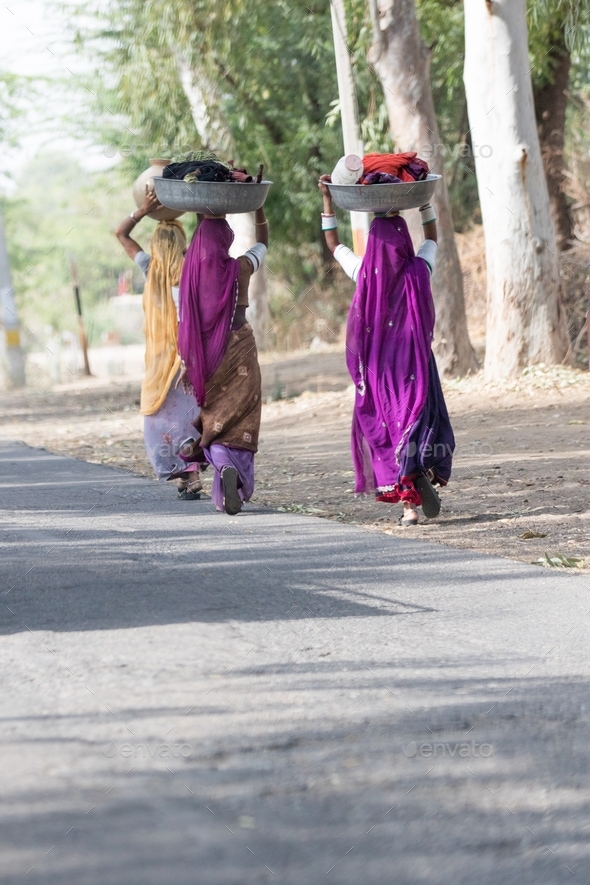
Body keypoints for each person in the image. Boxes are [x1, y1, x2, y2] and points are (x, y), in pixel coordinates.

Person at [319, 177, 455, 526]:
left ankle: (408, 508)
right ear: (404, 242)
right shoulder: (419, 268)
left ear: (374, 245)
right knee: (414, 423)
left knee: (389, 426)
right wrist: (424, 202)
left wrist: (327, 200)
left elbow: (333, 244)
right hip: (416, 369)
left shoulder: (364, 271)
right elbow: (432, 239)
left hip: (380, 372)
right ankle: (418, 469)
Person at [176, 207, 268, 515]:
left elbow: (184, 322)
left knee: (213, 420)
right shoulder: (241, 266)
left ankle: (222, 463)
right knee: (243, 418)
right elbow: (263, 243)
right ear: (226, 239)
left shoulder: (190, 276)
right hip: (240, 348)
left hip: (206, 357)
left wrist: (185, 363)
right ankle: (237, 478)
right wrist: (259, 210)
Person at [115, 189, 202, 498]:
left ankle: (186, 475)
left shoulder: (150, 269)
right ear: (183, 245)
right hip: (190, 355)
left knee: (163, 416)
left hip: (160, 360)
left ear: (154, 245)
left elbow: (121, 234)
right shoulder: (193, 270)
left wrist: (141, 210)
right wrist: (200, 204)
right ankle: (190, 473)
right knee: (189, 416)